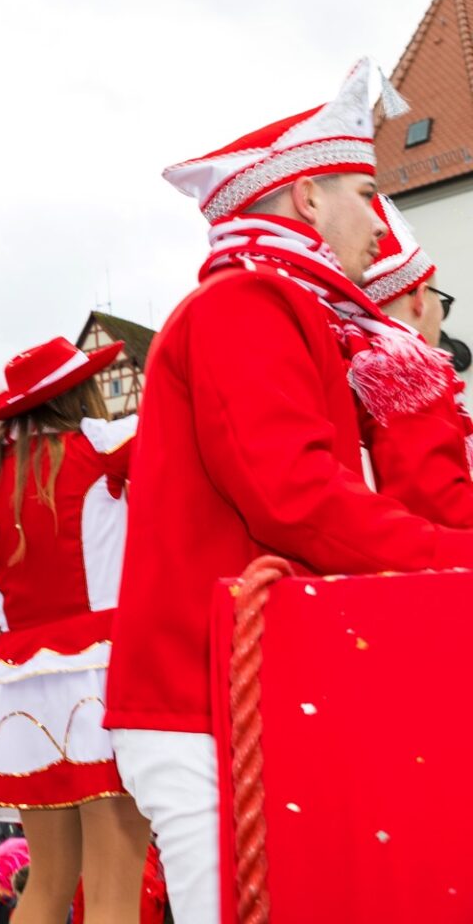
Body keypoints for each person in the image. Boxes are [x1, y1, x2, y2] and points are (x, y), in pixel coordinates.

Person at [105, 58, 473, 923]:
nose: (379, 227)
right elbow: (295, 497)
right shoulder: (245, 305)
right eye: (363, 192)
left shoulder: (291, 309)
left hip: (253, 684)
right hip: (206, 696)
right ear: (309, 200)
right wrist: (456, 559)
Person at [0, 337, 149, 924]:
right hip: (103, 678)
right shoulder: (104, 447)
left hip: (19, 689)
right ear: (80, 393)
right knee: (117, 889)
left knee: (46, 886)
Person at [356, 195, 473, 526]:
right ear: (421, 299)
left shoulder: (358, 357)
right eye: (442, 300)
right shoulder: (406, 367)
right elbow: (439, 508)